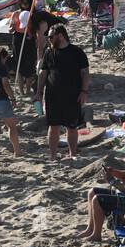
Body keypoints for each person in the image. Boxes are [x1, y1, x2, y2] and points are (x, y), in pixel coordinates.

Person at [39, 24, 89, 160]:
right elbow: (43, 74)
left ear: (60, 36)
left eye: (50, 36)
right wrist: (39, 93)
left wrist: (84, 91)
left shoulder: (77, 52)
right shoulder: (49, 52)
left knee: (71, 126)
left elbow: (85, 73)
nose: (49, 39)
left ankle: (72, 153)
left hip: (73, 95)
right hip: (52, 95)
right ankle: (53, 156)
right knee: (53, 126)